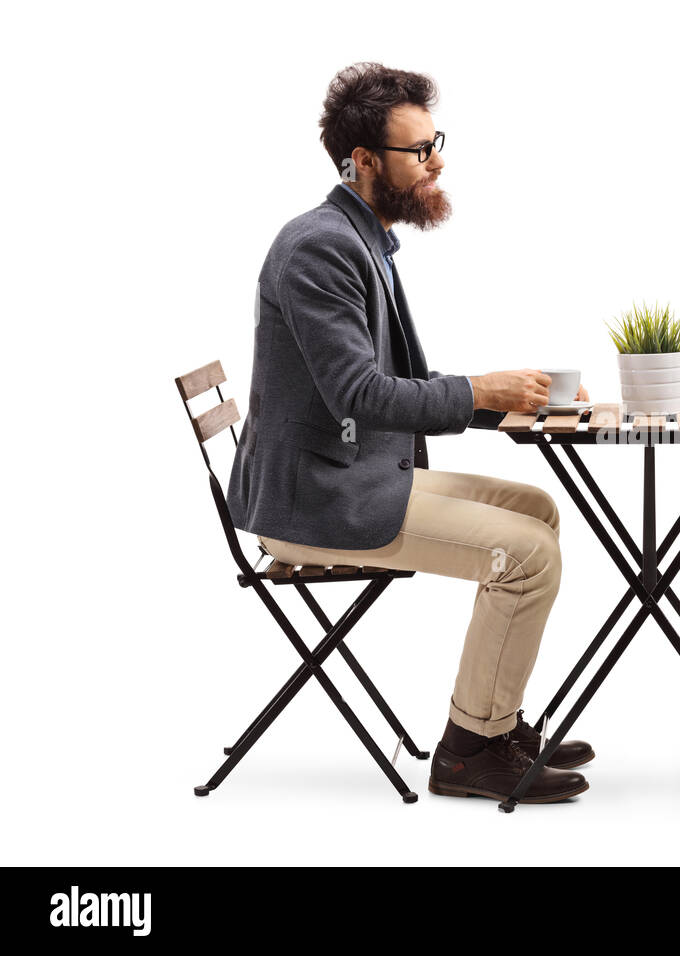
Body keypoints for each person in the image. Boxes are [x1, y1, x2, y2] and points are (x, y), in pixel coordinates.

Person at [226, 62, 594, 805]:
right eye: (419, 151)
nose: (438, 162)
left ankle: (496, 716)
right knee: (525, 555)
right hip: (315, 499)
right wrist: (479, 392)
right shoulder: (320, 248)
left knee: (537, 513)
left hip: (347, 472)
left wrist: (512, 397)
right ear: (362, 162)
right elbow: (360, 395)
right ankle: (468, 751)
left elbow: (394, 386)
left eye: (436, 143)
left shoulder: (364, 240)